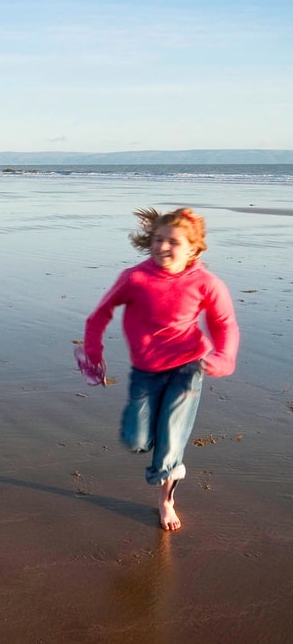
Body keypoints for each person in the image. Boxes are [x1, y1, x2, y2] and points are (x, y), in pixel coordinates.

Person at [78, 207, 239, 531]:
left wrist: (223, 359)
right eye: (158, 239)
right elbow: (98, 316)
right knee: (136, 440)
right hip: (145, 371)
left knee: (170, 442)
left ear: (193, 248)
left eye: (173, 242)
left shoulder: (206, 282)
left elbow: (225, 325)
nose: (163, 247)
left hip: (189, 367)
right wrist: (93, 353)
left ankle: (166, 500)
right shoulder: (134, 278)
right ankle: (157, 448)